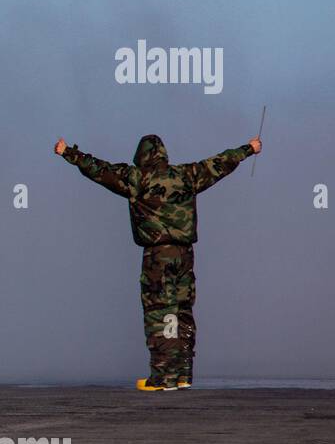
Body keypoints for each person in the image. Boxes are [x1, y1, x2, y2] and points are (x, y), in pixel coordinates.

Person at [56, 133, 261, 391]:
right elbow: (220, 162)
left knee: (160, 311)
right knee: (182, 310)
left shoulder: (136, 179)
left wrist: (68, 153)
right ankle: (183, 373)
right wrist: (249, 149)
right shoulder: (187, 175)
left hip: (158, 255)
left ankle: (163, 377)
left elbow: (100, 170)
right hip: (185, 254)